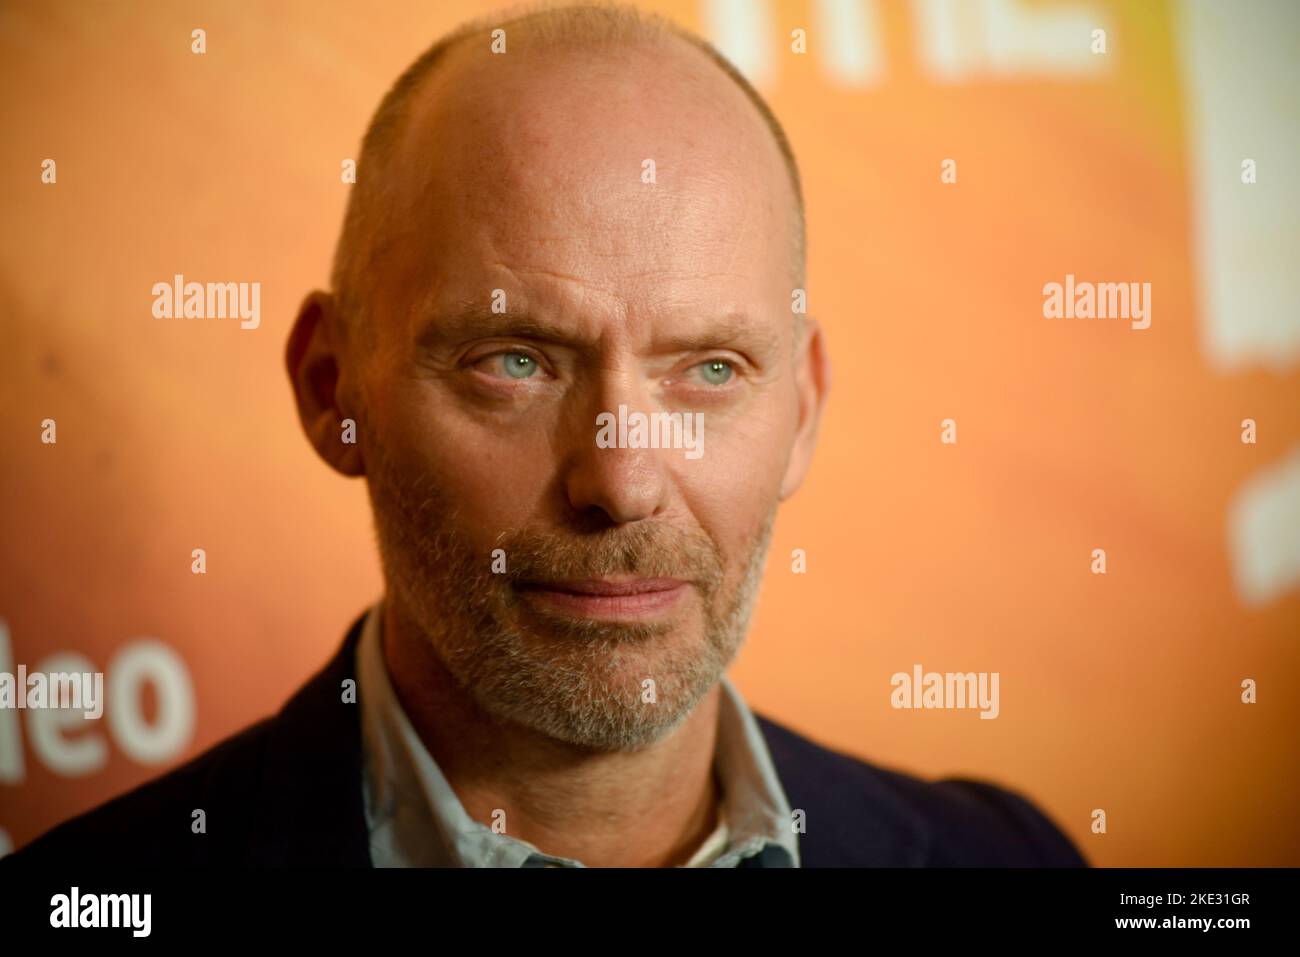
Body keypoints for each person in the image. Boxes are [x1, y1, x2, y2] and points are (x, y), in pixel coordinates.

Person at [6, 2, 1084, 868]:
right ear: (331, 389)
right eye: (514, 362)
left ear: (799, 411)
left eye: (709, 369)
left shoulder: (999, 857)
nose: (619, 480)